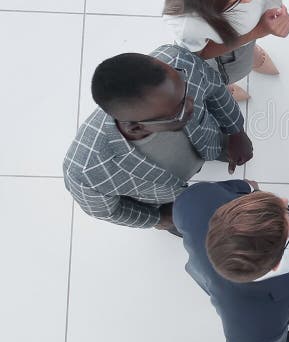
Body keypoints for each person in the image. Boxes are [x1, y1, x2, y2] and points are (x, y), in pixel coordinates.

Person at [63, 46, 253, 231]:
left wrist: (236, 132)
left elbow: (215, 90)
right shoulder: (85, 173)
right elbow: (109, 211)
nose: (192, 105)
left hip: (210, 140)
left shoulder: (178, 61)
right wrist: (160, 218)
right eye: (179, 112)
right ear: (136, 128)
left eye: (185, 89)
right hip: (170, 200)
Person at [172, 179, 289, 342]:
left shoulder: (193, 199)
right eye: (288, 215)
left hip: (206, 273)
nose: (284, 201)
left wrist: (248, 188)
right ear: (277, 263)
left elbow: (238, 187)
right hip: (283, 306)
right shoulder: (255, 332)